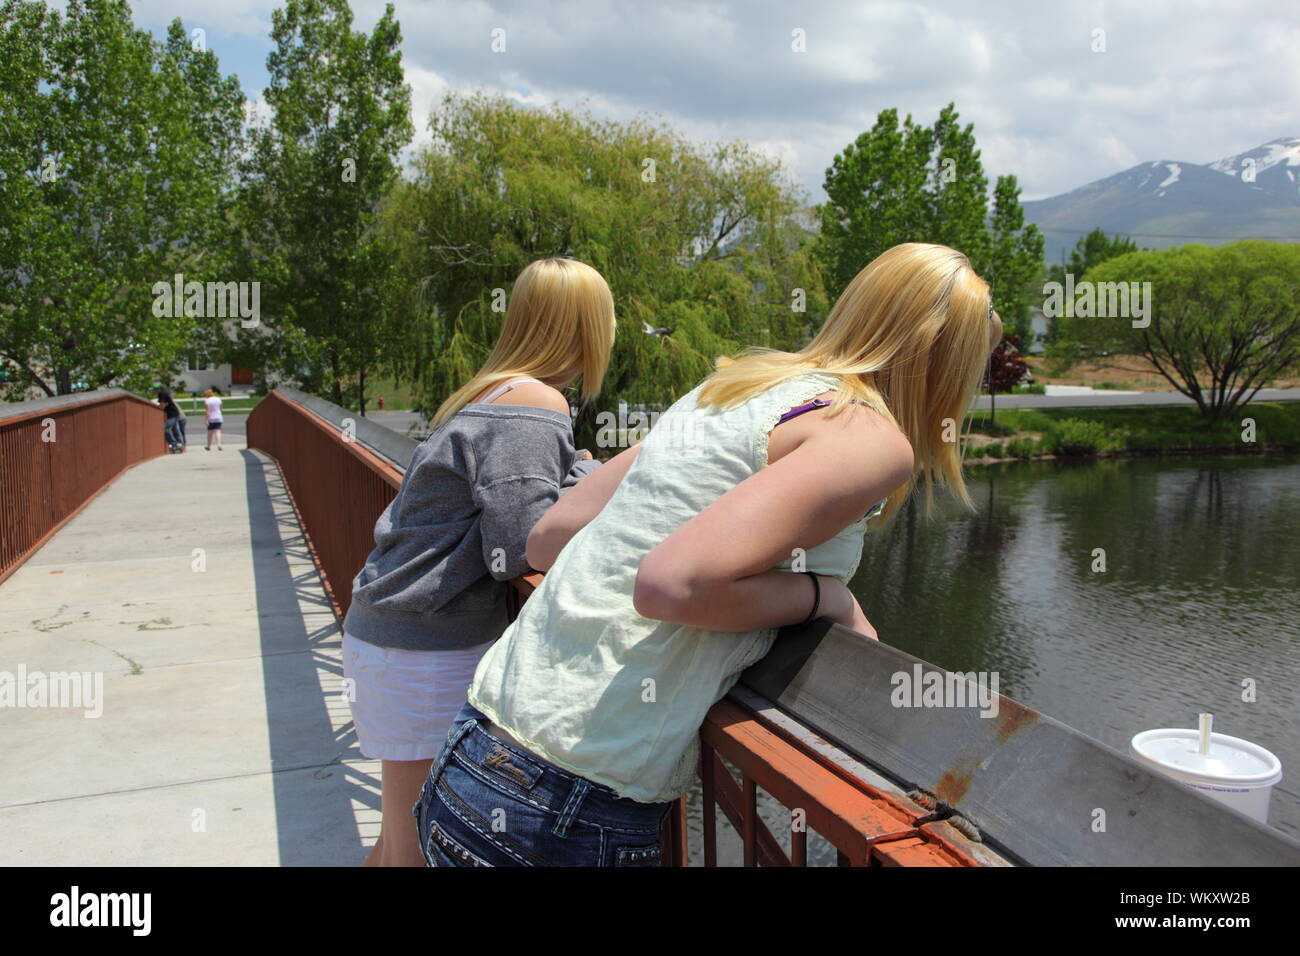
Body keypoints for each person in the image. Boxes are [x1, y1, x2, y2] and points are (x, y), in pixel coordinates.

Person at [415, 242, 1004, 867]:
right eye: (975, 369)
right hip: (570, 802)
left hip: (474, 749)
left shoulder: (732, 389)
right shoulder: (869, 438)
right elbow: (670, 585)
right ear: (944, 363)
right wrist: (825, 596)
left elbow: (549, 535)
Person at [343, 257, 616, 867]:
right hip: (425, 648)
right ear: (589, 327)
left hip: (395, 636)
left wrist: (577, 477)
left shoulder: (493, 391)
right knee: (417, 848)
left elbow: (515, 500)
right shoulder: (535, 405)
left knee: (395, 844)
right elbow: (519, 545)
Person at [156, 388, 186, 452]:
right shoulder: (163, 394)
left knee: (166, 429)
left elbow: (162, 406)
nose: (154, 391)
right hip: (174, 414)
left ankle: (173, 443)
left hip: (173, 415)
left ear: (159, 389)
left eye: (155, 389)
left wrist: (157, 407)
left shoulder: (162, 394)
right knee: (176, 430)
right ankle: (180, 445)